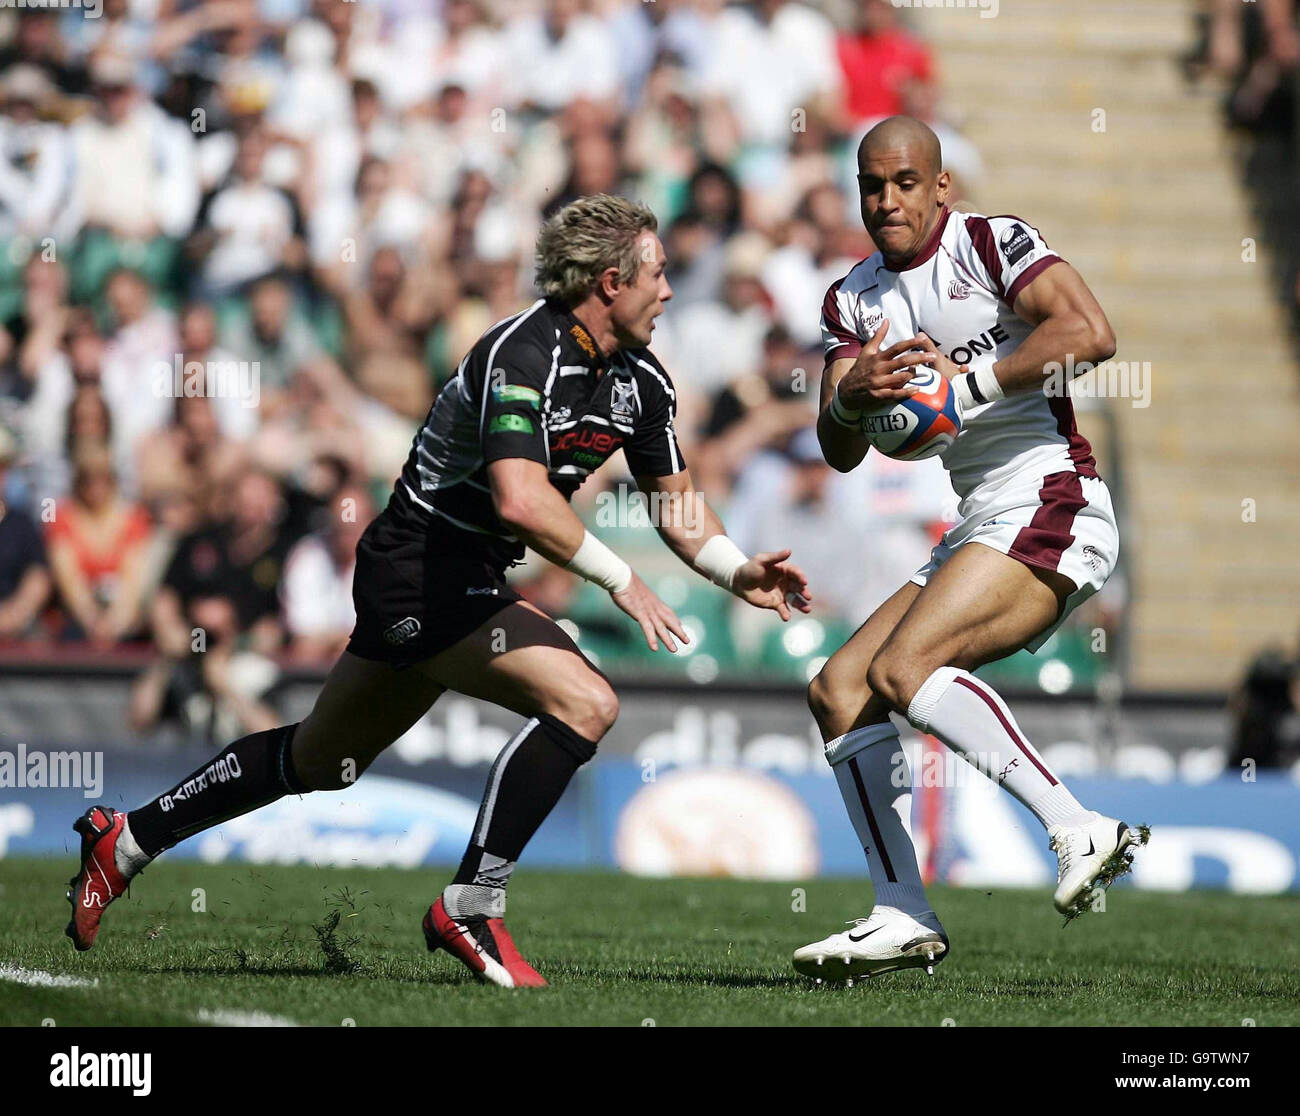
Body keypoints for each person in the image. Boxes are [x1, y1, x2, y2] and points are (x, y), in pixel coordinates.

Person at [64, 195, 812, 988]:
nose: (668, 291)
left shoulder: (642, 379)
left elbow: (677, 502)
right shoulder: (521, 354)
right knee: (585, 702)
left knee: (320, 759)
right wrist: (621, 581)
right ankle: (471, 904)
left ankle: (128, 838)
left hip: (465, 577)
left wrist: (736, 569)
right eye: (657, 275)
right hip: (416, 566)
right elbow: (523, 499)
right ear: (607, 279)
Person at [793, 116, 1145, 983]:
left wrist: (968, 387)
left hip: (1052, 496)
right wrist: (848, 403)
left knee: (906, 670)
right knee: (839, 691)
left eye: (906, 183)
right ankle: (901, 912)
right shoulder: (853, 300)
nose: (887, 201)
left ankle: (1077, 827)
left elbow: (1091, 333)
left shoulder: (991, 246)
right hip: (979, 518)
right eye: (873, 186)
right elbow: (839, 447)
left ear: (941, 186)